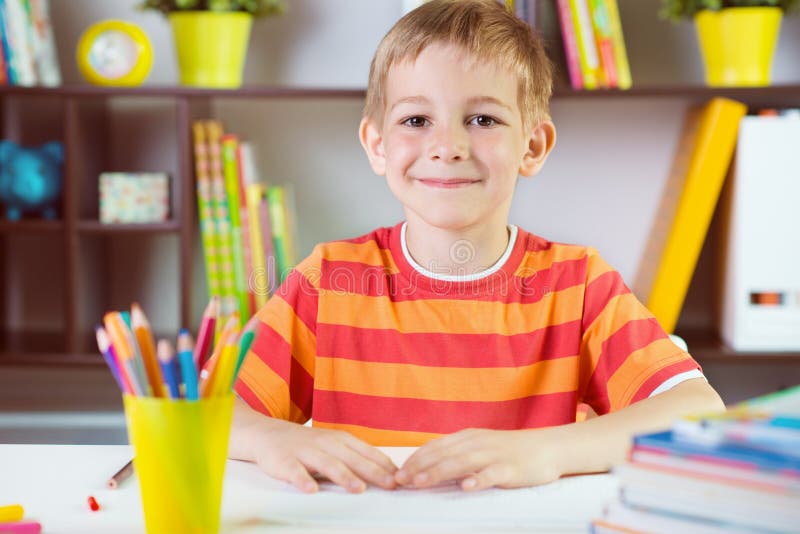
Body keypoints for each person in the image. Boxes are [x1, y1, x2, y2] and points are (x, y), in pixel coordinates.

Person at [228, 0, 725, 494]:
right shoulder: (327, 280)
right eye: (416, 120)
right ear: (377, 145)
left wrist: (547, 450)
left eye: (483, 120)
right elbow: (209, 406)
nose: (448, 146)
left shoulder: (579, 285)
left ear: (532, 147)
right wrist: (271, 437)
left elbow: (696, 407)